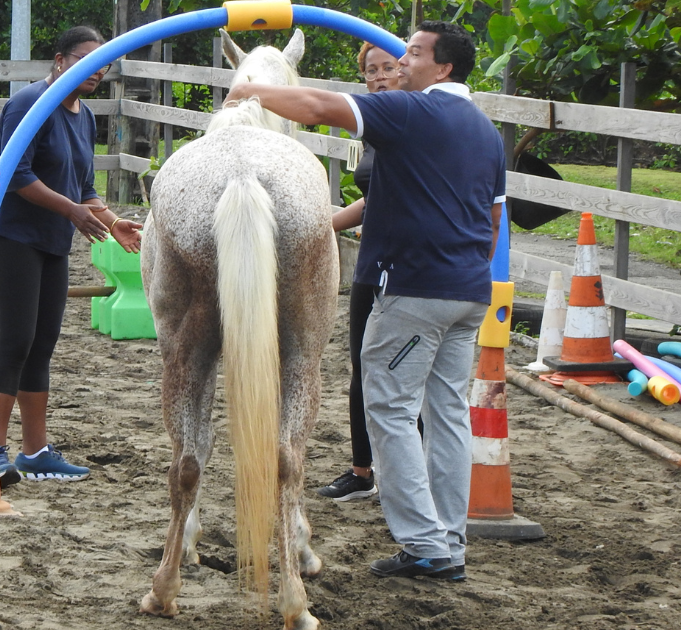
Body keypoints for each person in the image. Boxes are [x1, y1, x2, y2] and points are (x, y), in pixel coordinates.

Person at [228, 21, 504, 581]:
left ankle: (425, 546)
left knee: (392, 412)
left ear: (443, 67)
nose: (401, 63)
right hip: (468, 291)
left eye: (413, 53)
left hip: (413, 293)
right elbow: (494, 218)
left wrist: (249, 91)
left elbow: (316, 105)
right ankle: (450, 539)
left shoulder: (411, 112)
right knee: (448, 414)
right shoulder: (484, 130)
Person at [0, 26, 141, 485]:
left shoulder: (85, 115)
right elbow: (14, 175)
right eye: (85, 59)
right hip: (14, 238)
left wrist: (113, 222)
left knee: (42, 345)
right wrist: (72, 211)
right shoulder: (28, 106)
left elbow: (86, 188)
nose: (96, 70)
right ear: (59, 59)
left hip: (55, 242)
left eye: (103, 63)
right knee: (14, 342)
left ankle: (34, 452)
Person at [316, 41, 402, 503]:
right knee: (360, 364)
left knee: (405, 370)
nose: (380, 76)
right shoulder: (375, 133)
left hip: (409, 265)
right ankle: (361, 470)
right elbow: (374, 200)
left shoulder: (411, 125)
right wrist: (321, 227)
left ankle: (414, 468)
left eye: (389, 67)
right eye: (371, 71)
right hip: (371, 261)